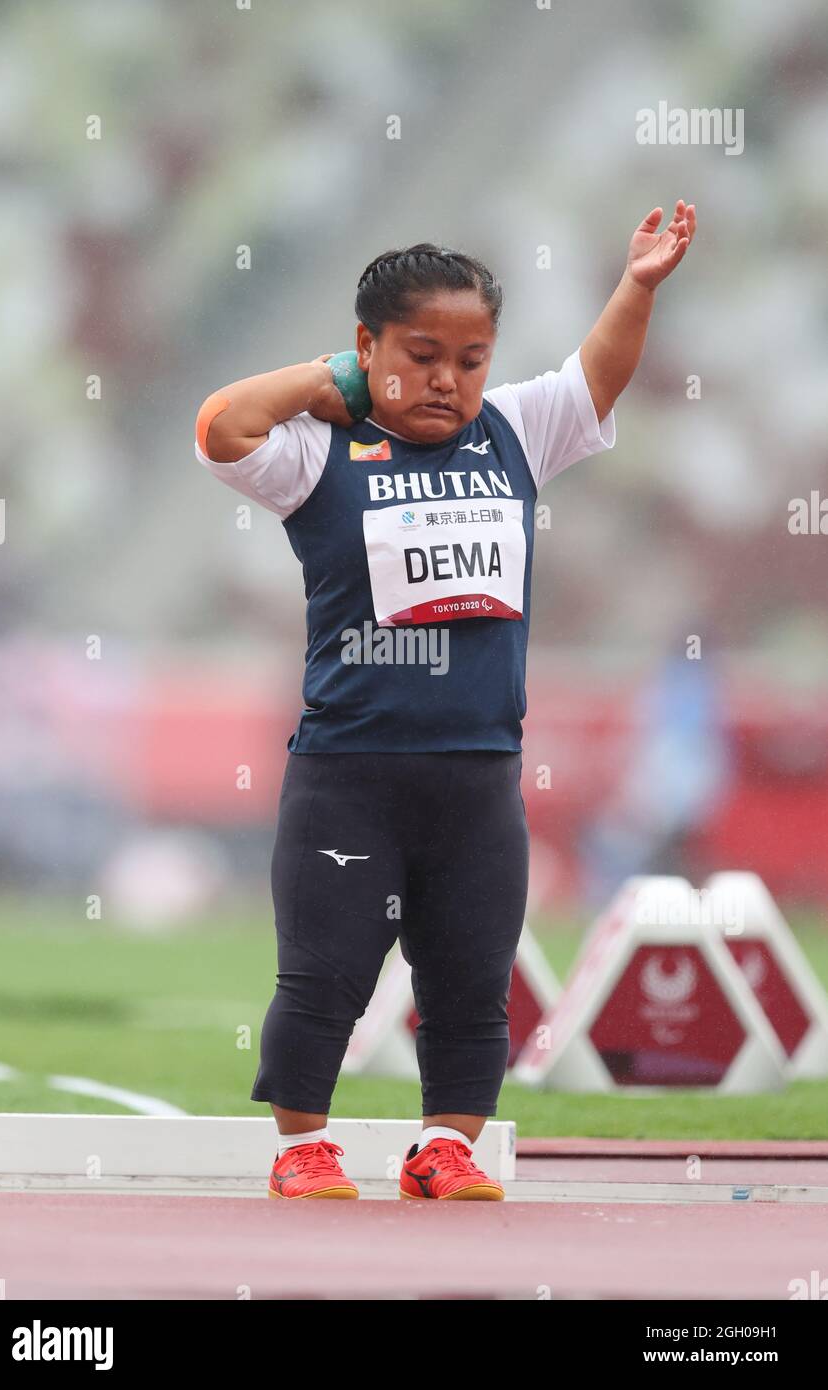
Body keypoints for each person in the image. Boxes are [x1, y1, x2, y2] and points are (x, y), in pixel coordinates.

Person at [194, 204, 697, 1200]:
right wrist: (321, 386)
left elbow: (593, 376)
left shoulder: (510, 430)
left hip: (476, 773)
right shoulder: (315, 452)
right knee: (323, 976)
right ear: (365, 348)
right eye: (419, 355)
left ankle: (445, 1147)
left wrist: (635, 287)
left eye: (469, 359)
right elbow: (219, 427)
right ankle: (303, 1147)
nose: (446, 379)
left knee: (470, 981)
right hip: (349, 771)